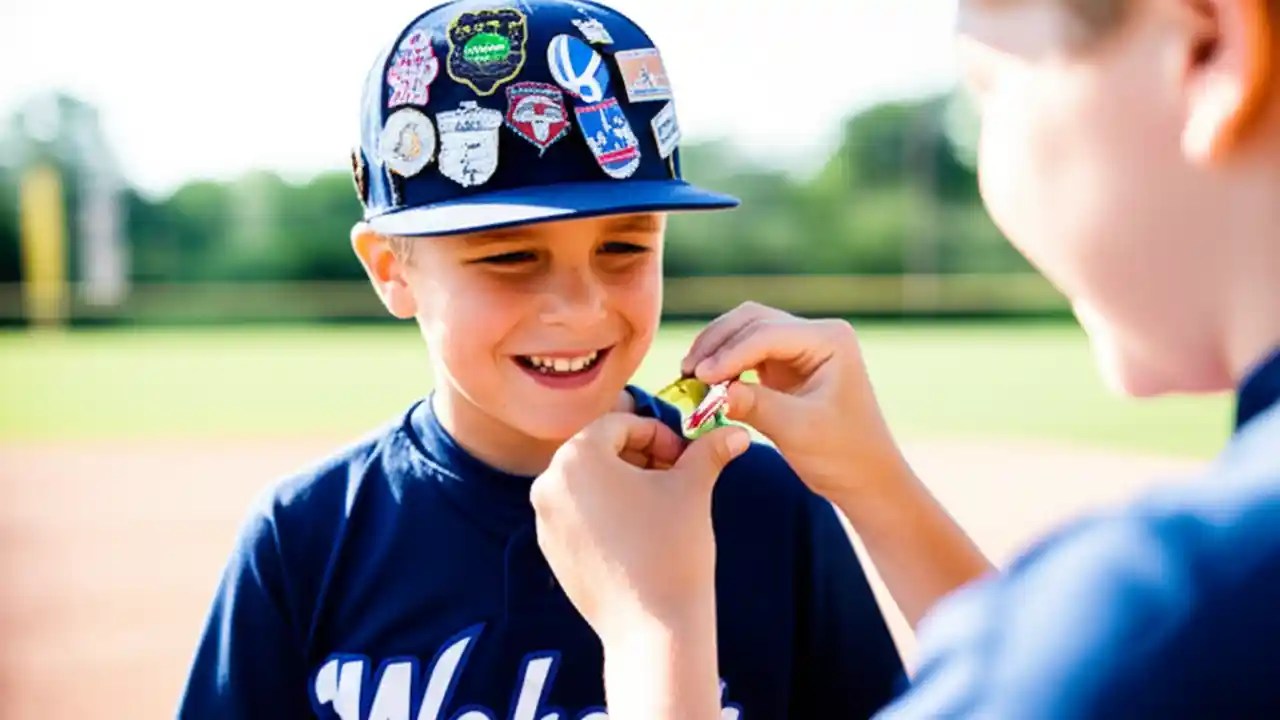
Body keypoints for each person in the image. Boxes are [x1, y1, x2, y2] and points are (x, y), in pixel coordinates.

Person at [530, 0, 1280, 716]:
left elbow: (1079, 676)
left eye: (987, 91)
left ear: (1207, 44)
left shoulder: (1162, 623)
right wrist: (877, 485)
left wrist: (652, 628)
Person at [177, 1, 908, 717]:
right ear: (391, 269)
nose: (580, 306)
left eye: (623, 246)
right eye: (511, 255)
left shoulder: (758, 502)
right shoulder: (307, 535)